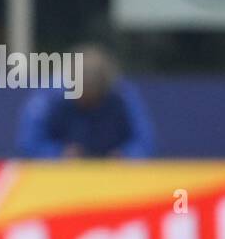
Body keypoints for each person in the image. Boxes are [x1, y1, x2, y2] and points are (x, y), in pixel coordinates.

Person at [16, 44, 155, 158]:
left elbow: (145, 141)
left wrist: (125, 155)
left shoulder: (122, 94)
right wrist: (58, 153)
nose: (87, 104)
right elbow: (28, 143)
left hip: (113, 175)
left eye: (92, 99)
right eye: (82, 97)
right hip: (60, 176)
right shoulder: (50, 97)